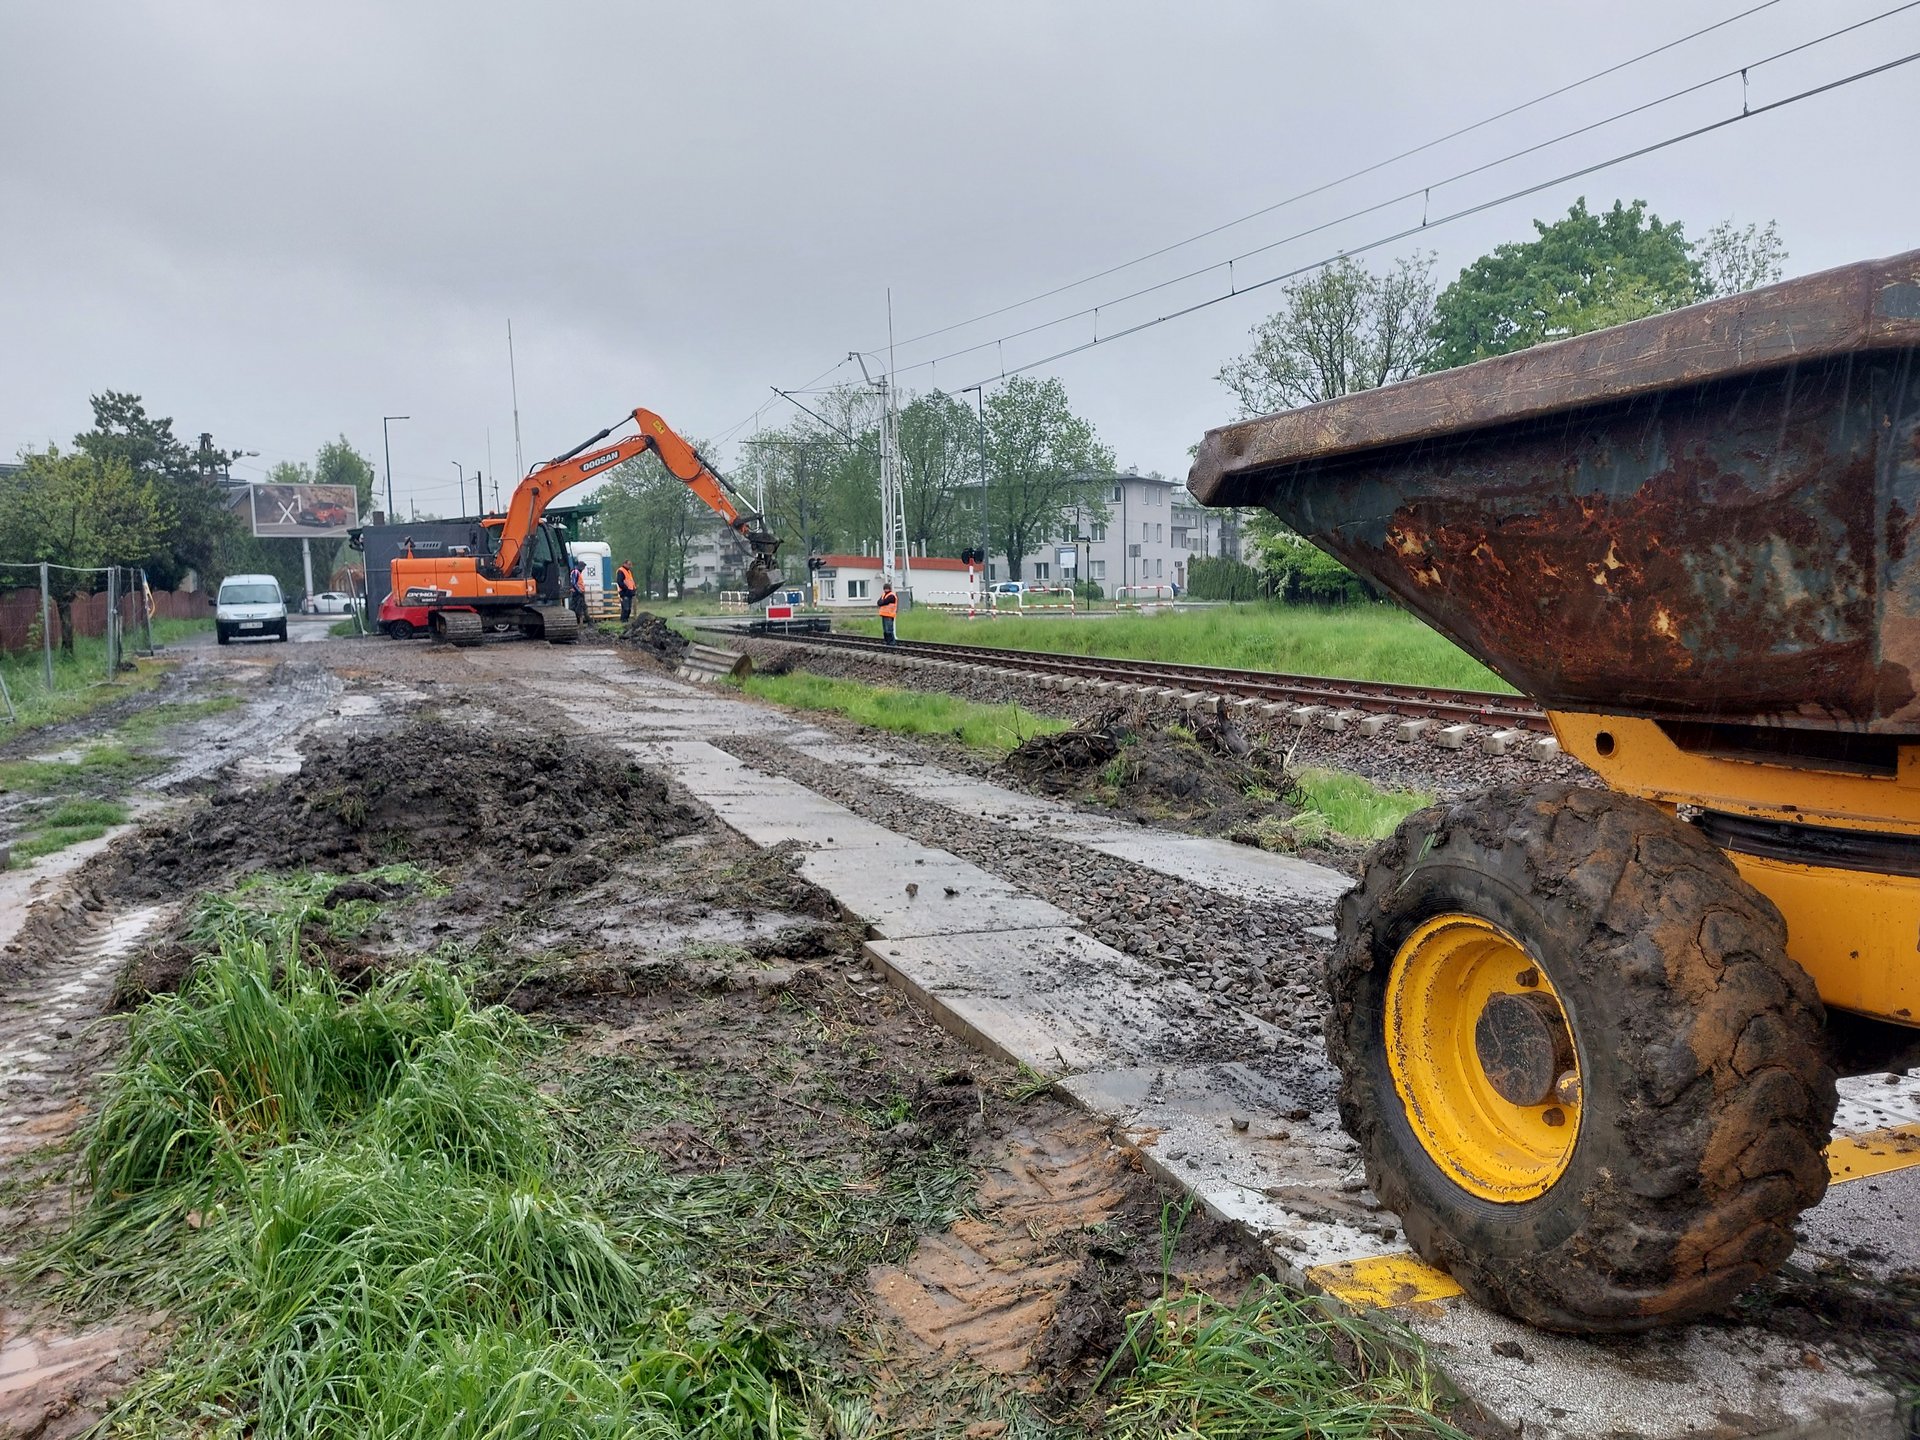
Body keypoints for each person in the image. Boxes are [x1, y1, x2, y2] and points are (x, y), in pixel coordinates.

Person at [876, 581, 899, 646]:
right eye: (885, 588)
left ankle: (892, 642)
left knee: (889, 629)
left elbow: (884, 602)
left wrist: (882, 602)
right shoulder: (883, 595)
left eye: (887, 588)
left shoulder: (892, 595)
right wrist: (882, 602)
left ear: (889, 589)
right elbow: (879, 602)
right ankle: (887, 642)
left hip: (889, 615)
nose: (886, 590)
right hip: (884, 614)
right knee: (885, 630)